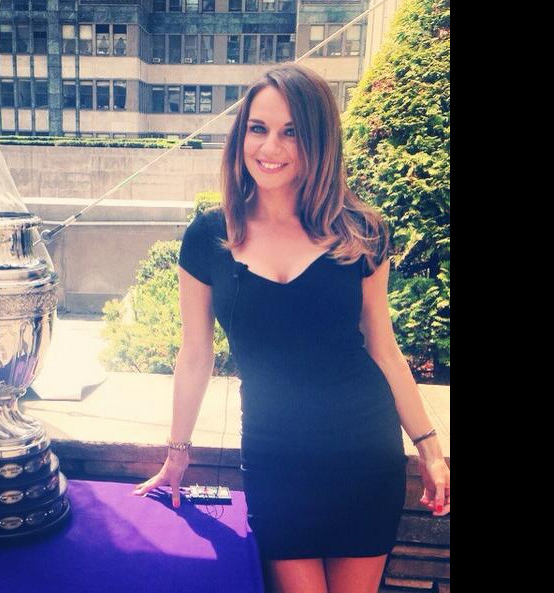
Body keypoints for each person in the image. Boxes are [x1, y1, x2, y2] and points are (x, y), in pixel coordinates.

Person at [131, 63, 450, 593]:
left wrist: (429, 447)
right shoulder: (210, 236)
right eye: (258, 128)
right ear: (241, 137)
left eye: (290, 132)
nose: (269, 146)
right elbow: (195, 355)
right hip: (276, 458)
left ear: (318, 140)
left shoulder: (361, 232)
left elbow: (384, 349)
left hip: (363, 451)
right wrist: (176, 455)